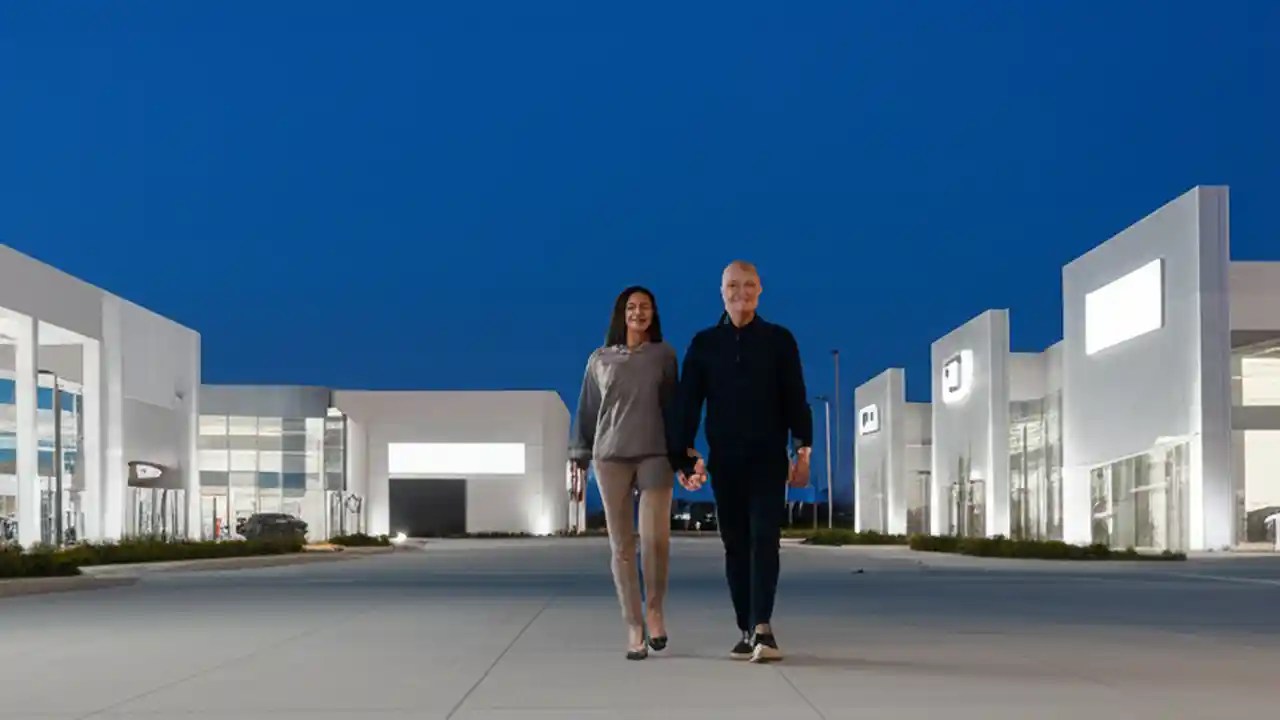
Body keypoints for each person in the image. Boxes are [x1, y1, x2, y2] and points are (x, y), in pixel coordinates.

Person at [672, 260, 812, 664]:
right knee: (735, 544)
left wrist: (802, 450)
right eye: (733, 285)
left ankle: (763, 626)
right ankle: (746, 628)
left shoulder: (779, 340)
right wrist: (683, 455)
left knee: (764, 537)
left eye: (749, 284)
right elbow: (687, 403)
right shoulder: (704, 344)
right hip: (725, 461)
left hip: (768, 458)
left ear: (760, 290)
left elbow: (795, 397)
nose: (741, 292)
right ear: (722, 291)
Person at [570, 286, 680, 660]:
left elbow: (674, 407)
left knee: (655, 539)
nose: (638, 313)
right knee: (622, 546)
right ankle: (634, 625)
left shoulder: (664, 355)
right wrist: (579, 455)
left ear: (653, 313)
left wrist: (684, 452)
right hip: (610, 456)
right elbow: (587, 410)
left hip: (655, 454)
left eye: (645, 306)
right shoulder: (599, 359)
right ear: (621, 313)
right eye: (631, 307)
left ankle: (655, 610)